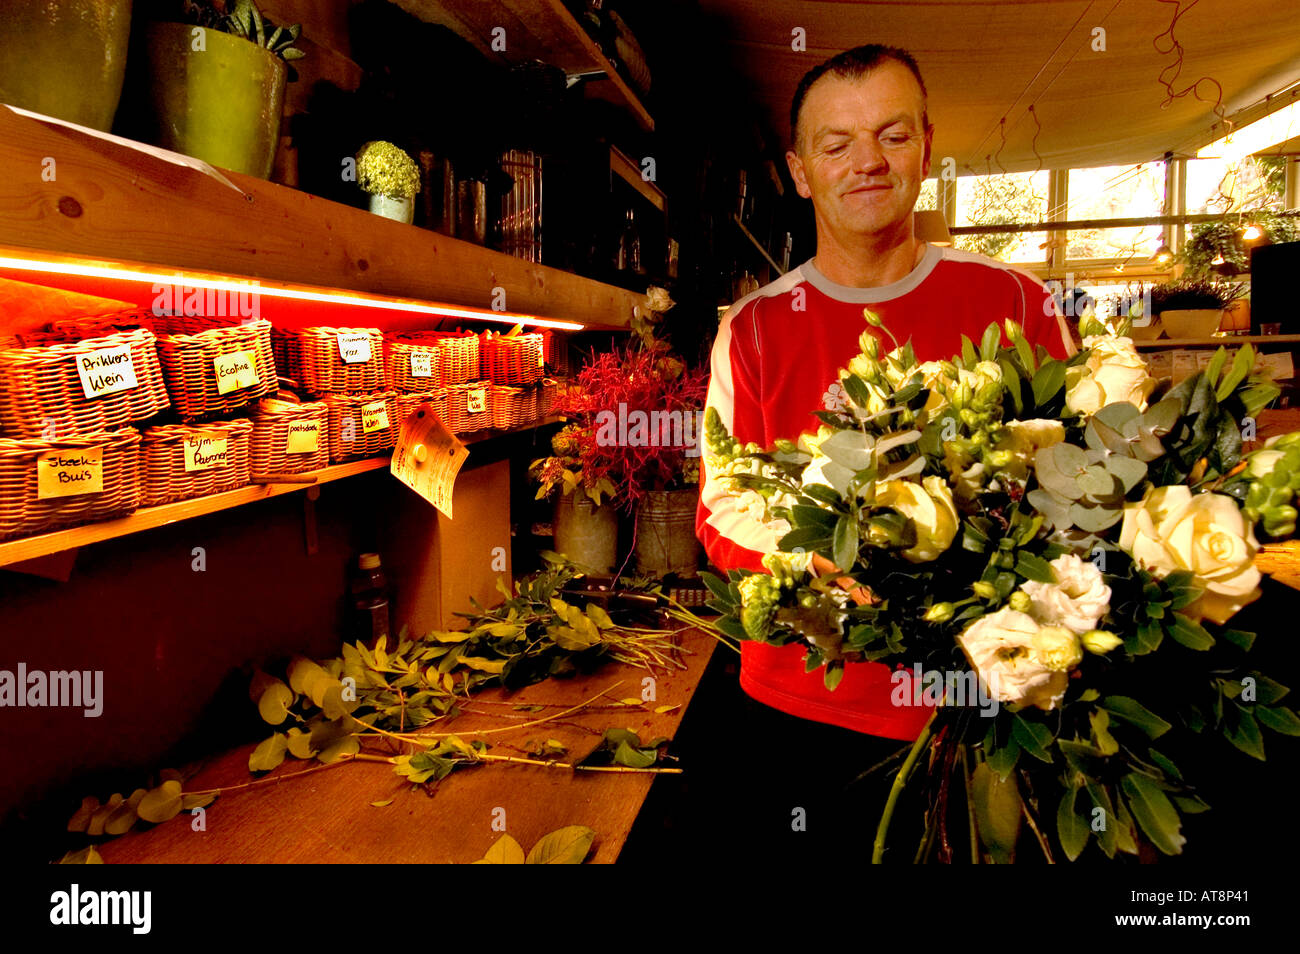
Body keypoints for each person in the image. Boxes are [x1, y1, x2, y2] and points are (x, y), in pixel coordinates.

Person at [683, 44, 1074, 859]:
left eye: (892, 136)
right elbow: (724, 509)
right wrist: (815, 567)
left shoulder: (1015, 302)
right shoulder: (751, 327)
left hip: (975, 704)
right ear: (799, 170)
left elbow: (1080, 493)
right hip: (800, 706)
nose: (868, 162)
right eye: (837, 144)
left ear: (926, 146)